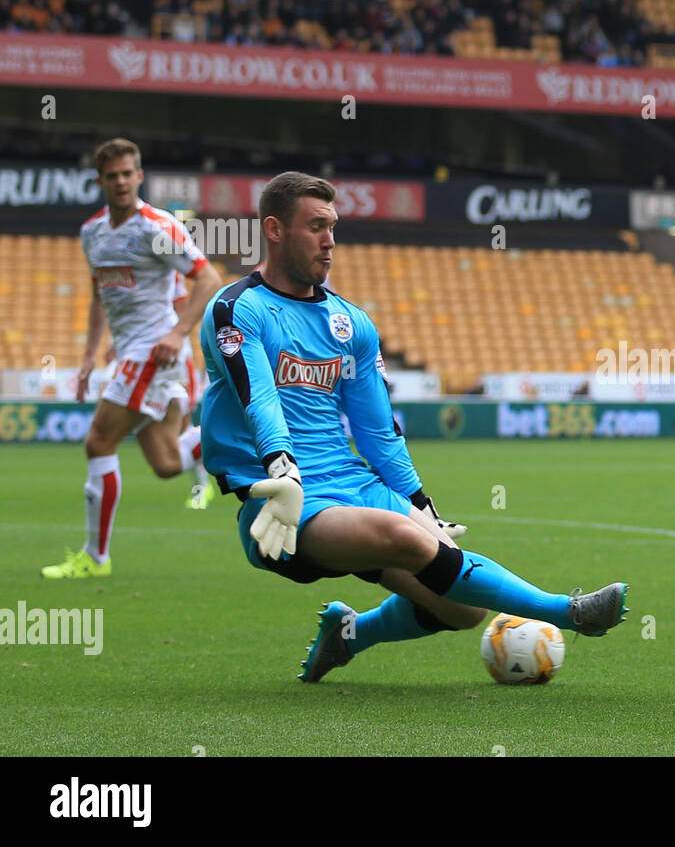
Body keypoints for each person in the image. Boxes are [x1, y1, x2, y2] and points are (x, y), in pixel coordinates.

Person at [199, 172, 628, 683]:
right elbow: (259, 398)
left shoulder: (351, 323)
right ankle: (566, 611)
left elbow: (378, 431)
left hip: (352, 485)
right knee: (401, 535)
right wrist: (283, 469)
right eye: (315, 226)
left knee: (463, 610)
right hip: (282, 506)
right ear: (274, 229)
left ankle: (351, 635)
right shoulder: (237, 309)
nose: (330, 240)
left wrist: (421, 502)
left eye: (333, 226)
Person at [42, 138, 223, 580]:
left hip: (153, 351)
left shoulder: (156, 228)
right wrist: (88, 356)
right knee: (165, 465)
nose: (121, 181)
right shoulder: (93, 233)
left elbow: (208, 278)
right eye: (112, 175)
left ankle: (95, 558)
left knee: (98, 442)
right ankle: (228, 432)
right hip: (128, 353)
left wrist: (177, 332)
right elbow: (99, 293)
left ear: (139, 177)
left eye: (128, 173)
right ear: (100, 181)